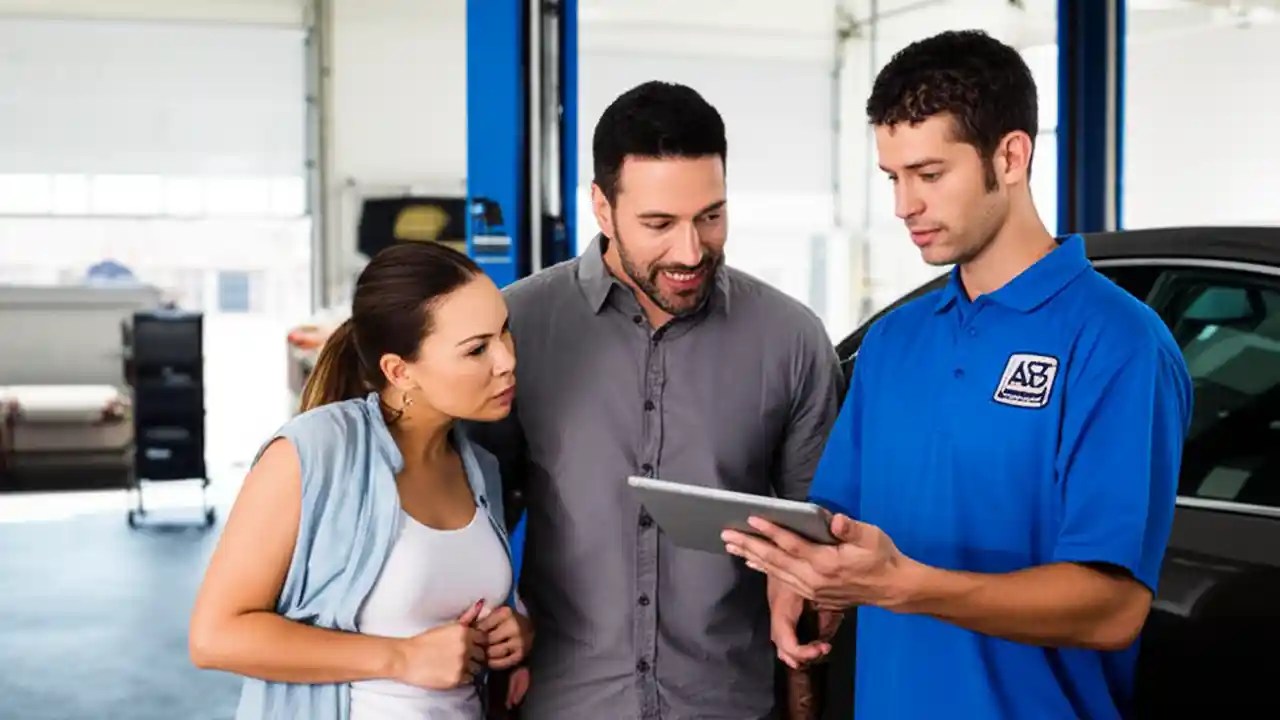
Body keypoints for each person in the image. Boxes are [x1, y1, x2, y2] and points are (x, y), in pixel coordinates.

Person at [723, 29, 1194, 720]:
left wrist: (903, 586)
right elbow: (839, 526)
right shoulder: (892, 341)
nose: (903, 205)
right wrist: (802, 580)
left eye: (929, 174)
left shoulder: (1118, 344)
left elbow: (1112, 609)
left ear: (1010, 156)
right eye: (893, 178)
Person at [467, 80, 845, 719]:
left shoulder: (792, 340)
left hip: (730, 703)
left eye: (711, 216)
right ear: (602, 207)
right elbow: (467, 511)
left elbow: (826, 527)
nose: (690, 251)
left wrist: (807, 577)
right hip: (566, 702)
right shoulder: (516, 329)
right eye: (659, 224)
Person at [189, 241, 534, 720]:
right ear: (400, 370)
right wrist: (401, 658)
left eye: (504, 332)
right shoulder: (314, 450)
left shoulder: (481, 468)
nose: (506, 360)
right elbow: (215, 636)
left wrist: (514, 633)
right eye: (477, 349)